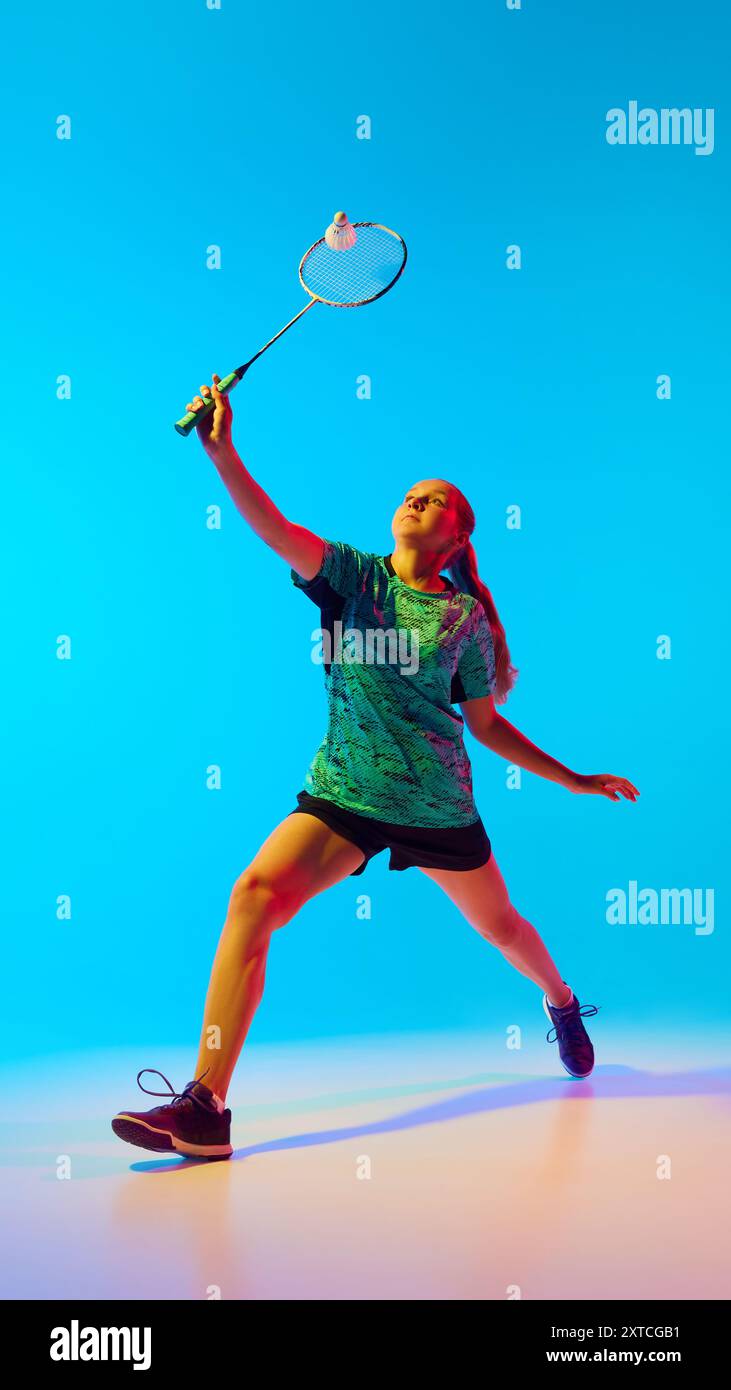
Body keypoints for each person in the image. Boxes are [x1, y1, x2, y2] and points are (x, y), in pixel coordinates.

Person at [111, 375, 640, 1160]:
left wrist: (572, 778)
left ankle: (561, 1002)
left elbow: (485, 723)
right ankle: (207, 1105)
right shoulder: (353, 578)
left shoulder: (462, 619)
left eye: (436, 501)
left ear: (457, 538)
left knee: (500, 925)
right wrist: (223, 454)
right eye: (411, 495)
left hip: (435, 802)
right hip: (345, 792)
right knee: (253, 895)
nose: (417, 503)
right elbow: (274, 528)